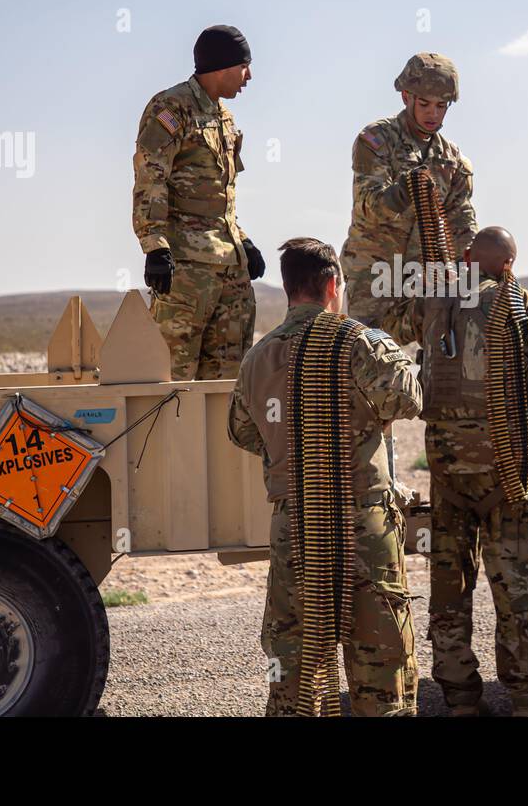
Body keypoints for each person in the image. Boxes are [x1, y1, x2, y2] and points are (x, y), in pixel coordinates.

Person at [227, 237, 422, 716]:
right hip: (362, 526)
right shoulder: (359, 342)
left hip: (295, 527)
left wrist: (291, 449)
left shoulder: (258, 358)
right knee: (381, 664)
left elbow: (241, 431)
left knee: (294, 661)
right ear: (333, 284)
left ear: (287, 289)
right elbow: (410, 399)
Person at [400, 226, 528, 716]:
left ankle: (459, 701)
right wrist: (526, 400)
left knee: (448, 589)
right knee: (516, 587)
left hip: (445, 471)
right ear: (508, 265)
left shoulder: (433, 300)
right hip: (506, 470)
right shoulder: (518, 303)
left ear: (467, 256)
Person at [133, 24, 267, 380]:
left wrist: (242, 240)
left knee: (227, 383)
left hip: (229, 269)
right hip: (187, 271)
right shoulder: (172, 108)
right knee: (171, 381)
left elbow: (223, 195)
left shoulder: (225, 119)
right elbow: (151, 176)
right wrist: (154, 246)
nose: (249, 76)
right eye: (244, 67)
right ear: (222, 66)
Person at [340, 52, 478, 345]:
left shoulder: (453, 160)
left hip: (425, 279)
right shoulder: (376, 140)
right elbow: (369, 206)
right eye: (425, 104)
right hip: (375, 273)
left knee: (440, 354)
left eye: (442, 106)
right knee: (369, 355)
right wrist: (403, 190)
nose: (434, 114)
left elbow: (462, 224)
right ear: (406, 97)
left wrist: (472, 269)